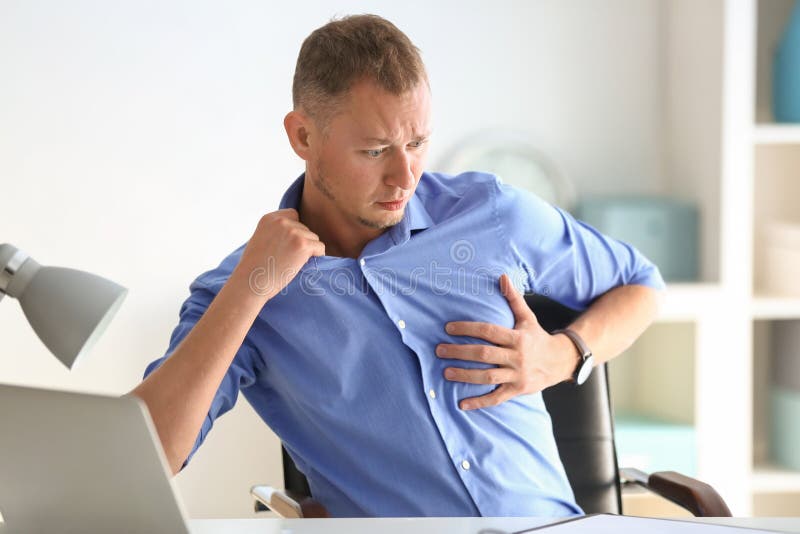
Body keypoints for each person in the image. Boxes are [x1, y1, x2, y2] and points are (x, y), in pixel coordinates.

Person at [132, 14, 664, 518]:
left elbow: (641, 285)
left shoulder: (490, 213)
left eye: (417, 143)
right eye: (375, 150)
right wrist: (248, 292)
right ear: (303, 137)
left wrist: (564, 354)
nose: (404, 177)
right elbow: (146, 459)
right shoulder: (246, 289)